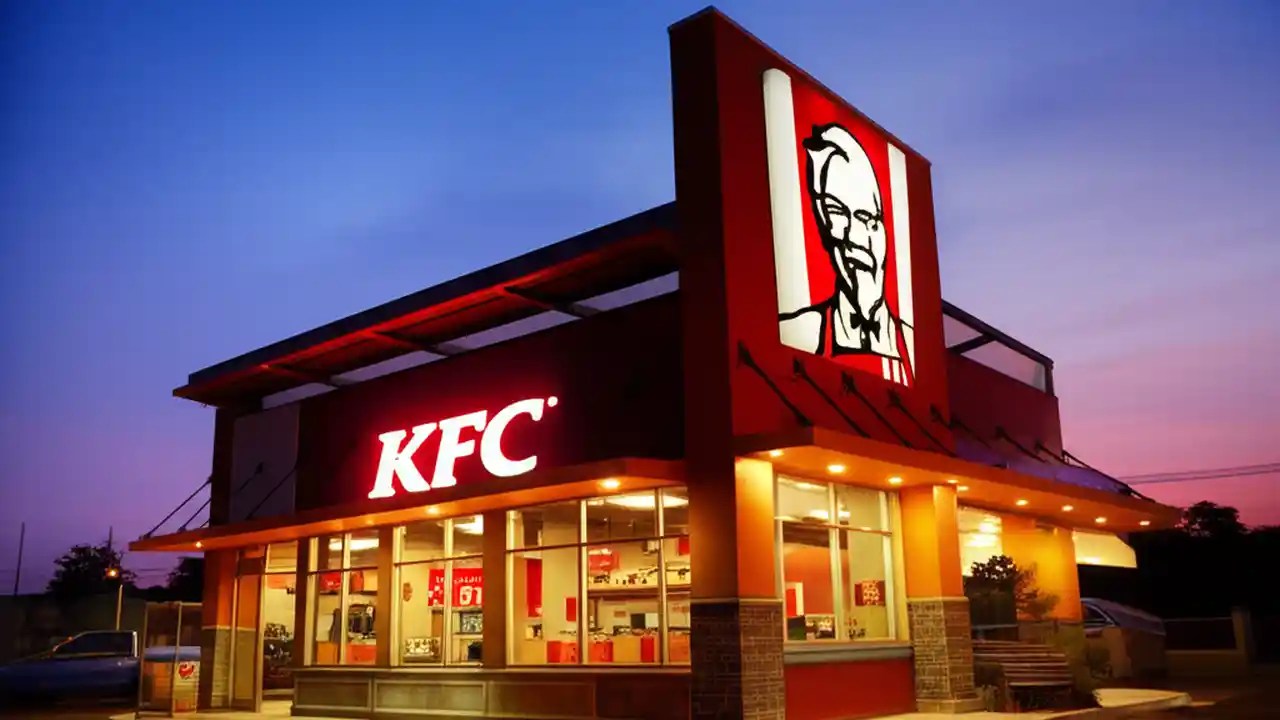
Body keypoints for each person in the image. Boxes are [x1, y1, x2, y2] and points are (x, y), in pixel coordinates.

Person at [779, 123, 911, 376]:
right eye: (836, 213)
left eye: (864, 217)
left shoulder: (912, 347)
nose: (851, 236)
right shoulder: (798, 330)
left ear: (881, 229)